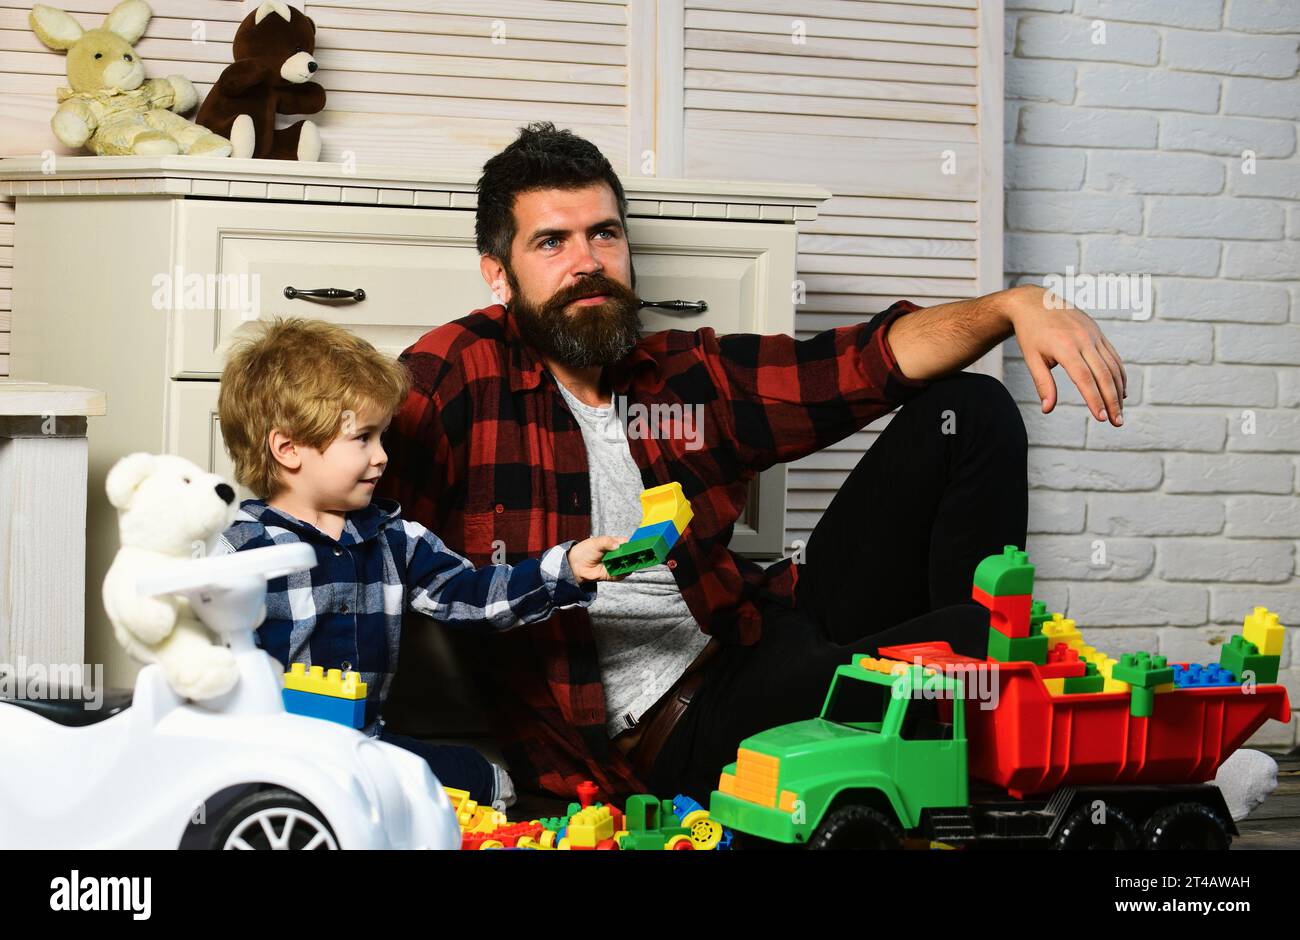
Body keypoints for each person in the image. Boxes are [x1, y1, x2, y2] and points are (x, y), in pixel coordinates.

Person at [375, 121, 1129, 804]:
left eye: (604, 235)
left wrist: (1014, 305)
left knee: (970, 409)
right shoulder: (457, 375)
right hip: (685, 731)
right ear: (498, 274)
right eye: (552, 242)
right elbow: (340, 507)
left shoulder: (680, 373)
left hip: (761, 633)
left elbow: (862, 364)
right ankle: (985, 727)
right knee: (974, 640)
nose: (587, 264)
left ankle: (962, 720)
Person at [213, 317, 627, 807]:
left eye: (382, 437)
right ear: (288, 449)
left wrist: (564, 569)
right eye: (363, 438)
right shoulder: (239, 552)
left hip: (365, 742)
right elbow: (204, 660)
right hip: (273, 748)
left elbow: (471, 595)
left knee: (490, 783)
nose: (382, 456)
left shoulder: (395, 538)